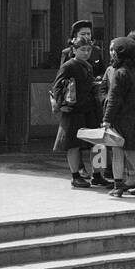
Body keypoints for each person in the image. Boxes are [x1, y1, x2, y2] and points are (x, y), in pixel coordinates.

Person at [51, 36, 106, 188]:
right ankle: (75, 176)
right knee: (73, 144)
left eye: (89, 50)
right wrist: (65, 102)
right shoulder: (68, 66)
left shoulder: (88, 66)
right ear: (74, 50)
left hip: (90, 109)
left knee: (98, 142)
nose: (86, 52)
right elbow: (56, 87)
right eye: (83, 49)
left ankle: (97, 174)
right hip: (74, 110)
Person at [102, 36, 135, 197]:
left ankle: (118, 186)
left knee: (117, 152)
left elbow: (114, 98)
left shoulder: (119, 72)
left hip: (121, 119)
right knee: (133, 153)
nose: (112, 54)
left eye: (114, 50)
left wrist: (107, 120)